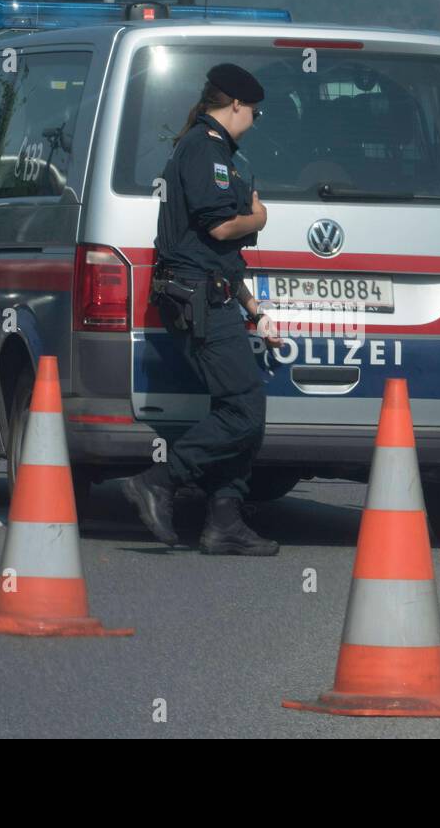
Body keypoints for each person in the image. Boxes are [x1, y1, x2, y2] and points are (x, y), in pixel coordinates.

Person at [121, 63, 283, 556]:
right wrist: (259, 216)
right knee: (244, 410)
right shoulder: (204, 149)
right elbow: (218, 230)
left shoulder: (214, 150)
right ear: (235, 104)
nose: (255, 120)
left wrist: (254, 309)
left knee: (236, 406)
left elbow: (218, 256)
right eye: (254, 111)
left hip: (209, 294)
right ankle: (160, 480)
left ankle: (225, 522)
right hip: (197, 300)